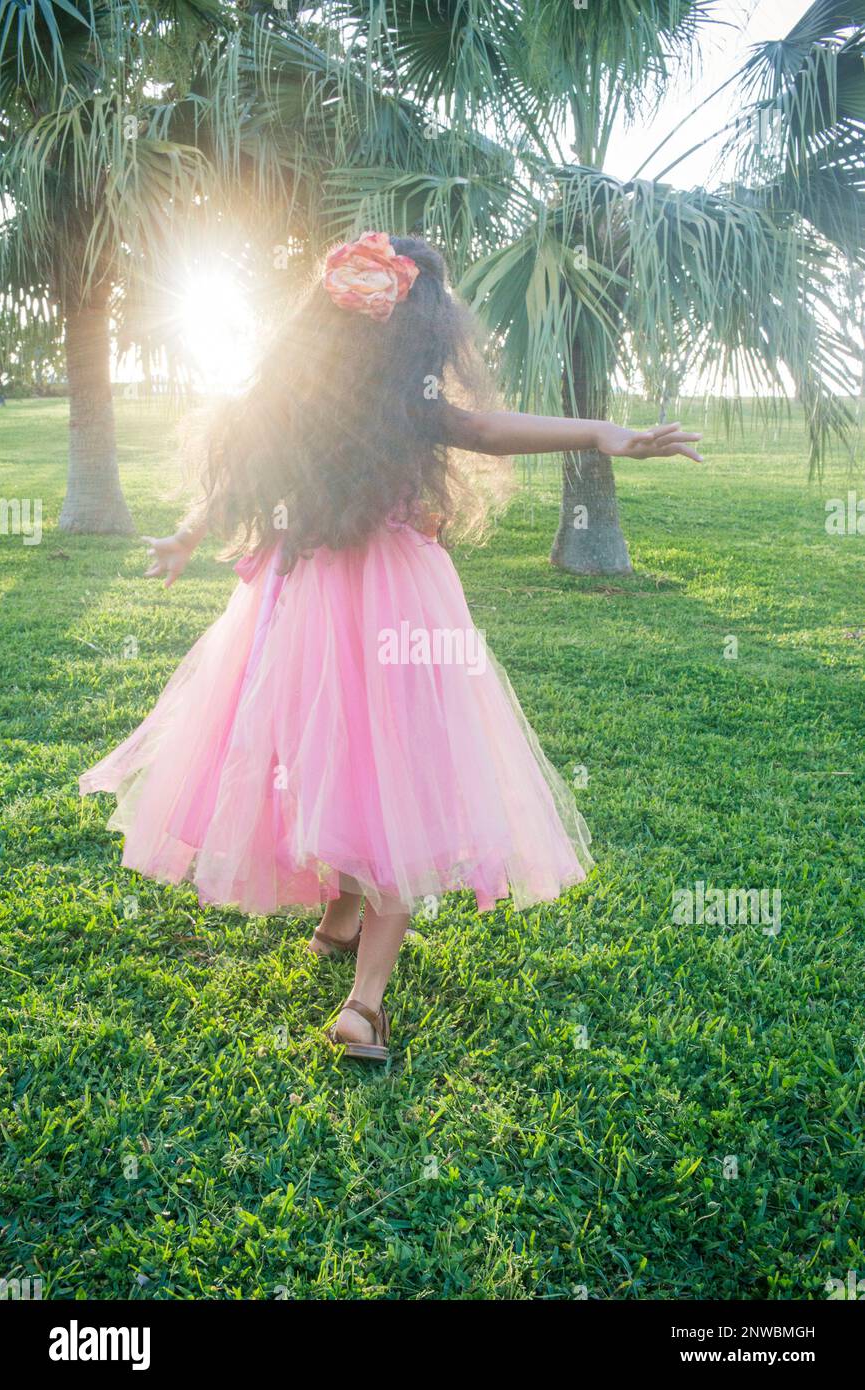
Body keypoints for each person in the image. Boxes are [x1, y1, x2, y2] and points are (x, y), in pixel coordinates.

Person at [80, 232, 702, 1062]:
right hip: (398, 600)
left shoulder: (294, 389)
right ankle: (362, 1004)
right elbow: (480, 427)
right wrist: (600, 432)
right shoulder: (408, 394)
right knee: (398, 774)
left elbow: (244, 475)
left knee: (326, 752)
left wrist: (190, 537)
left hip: (299, 595)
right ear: (420, 317)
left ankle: (341, 920)